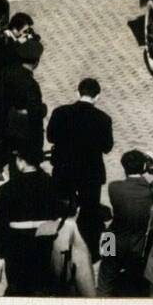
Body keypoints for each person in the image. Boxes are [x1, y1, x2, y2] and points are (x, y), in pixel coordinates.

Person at [0, 141, 63, 296]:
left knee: (18, 285)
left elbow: (0, 224)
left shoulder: (7, 189)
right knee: (41, 282)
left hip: (16, 243)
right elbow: (58, 213)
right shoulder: (51, 184)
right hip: (44, 241)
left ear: (22, 162)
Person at [97, 150, 153, 297]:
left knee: (105, 275)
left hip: (111, 238)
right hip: (136, 245)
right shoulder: (152, 189)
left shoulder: (114, 187)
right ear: (144, 167)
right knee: (134, 280)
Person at [47, 78, 114, 215]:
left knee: (62, 209)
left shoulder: (60, 112)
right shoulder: (103, 118)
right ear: (97, 96)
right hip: (91, 172)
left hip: (64, 168)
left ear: (78, 93)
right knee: (89, 212)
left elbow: (51, 137)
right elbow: (107, 147)